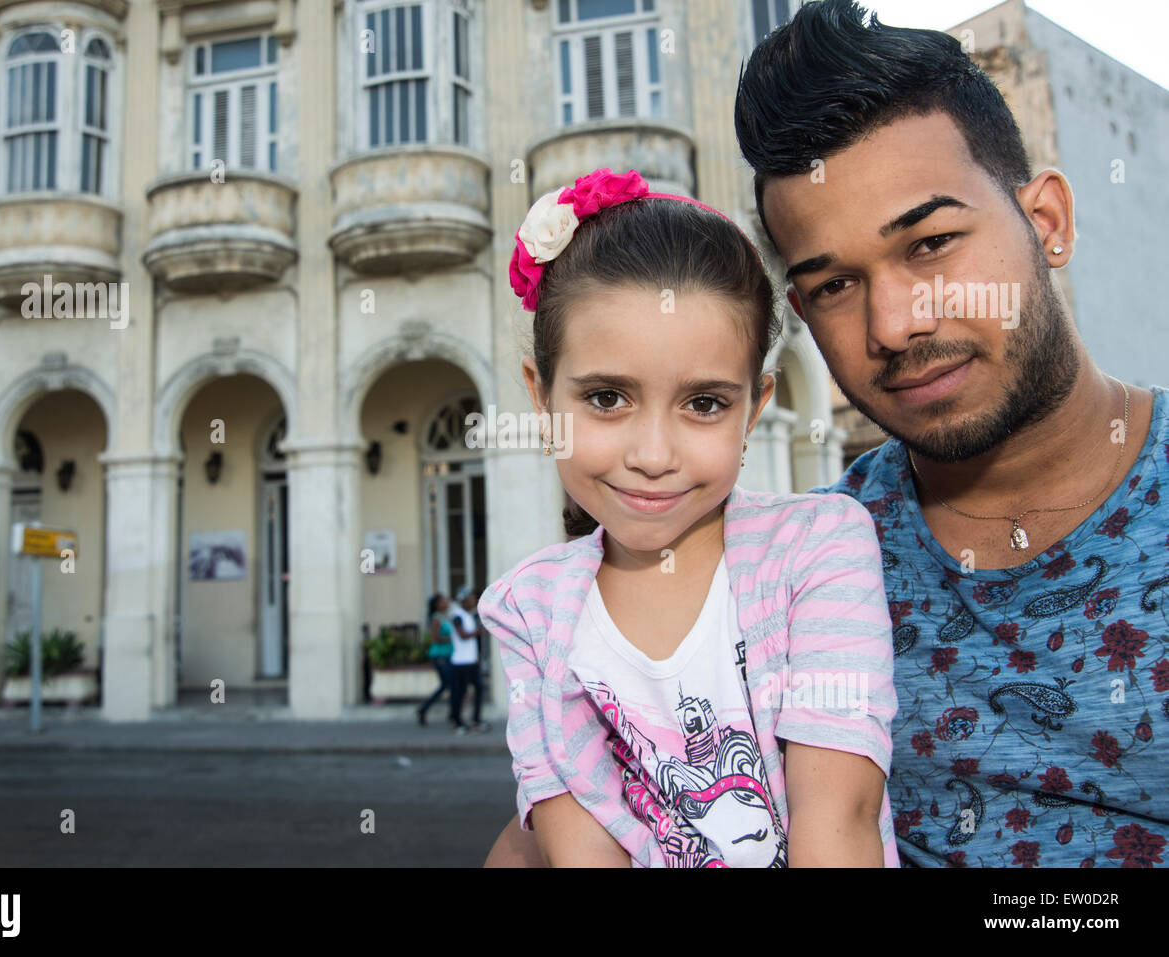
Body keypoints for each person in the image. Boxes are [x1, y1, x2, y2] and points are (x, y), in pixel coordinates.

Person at [729, 0, 1168, 866]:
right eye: (833, 286)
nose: (892, 323)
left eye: (931, 243)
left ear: (1047, 223)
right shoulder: (801, 568)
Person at [475, 167, 899, 867]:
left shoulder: (820, 549)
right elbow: (575, 841)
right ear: (542, 398)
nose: (653, 454)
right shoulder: (529, 608)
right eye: (608, 397)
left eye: (704, 403)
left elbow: (840, 821)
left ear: (754, 408)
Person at [447, 587, 489, 734]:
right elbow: (463, 635)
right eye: (471, 598)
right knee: (460, 692)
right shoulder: (457, 616)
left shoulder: (468, 615)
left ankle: (475, 720)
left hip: (470, 662)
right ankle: (457, 722)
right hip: (460, 662)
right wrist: (479, 632)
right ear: (464, 600)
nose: (474, 600)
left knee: (478, 689)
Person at [416, 593, 454, 726]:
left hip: (448, 655)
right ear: (437, 605)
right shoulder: (436, 618)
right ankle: (424, 709)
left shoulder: (445, 617)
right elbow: (435, 638)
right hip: (440, 656)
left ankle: (425, 710)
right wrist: (453, 639)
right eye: (444, 601)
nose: (447, 602)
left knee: (447, 685)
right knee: (448, 684)